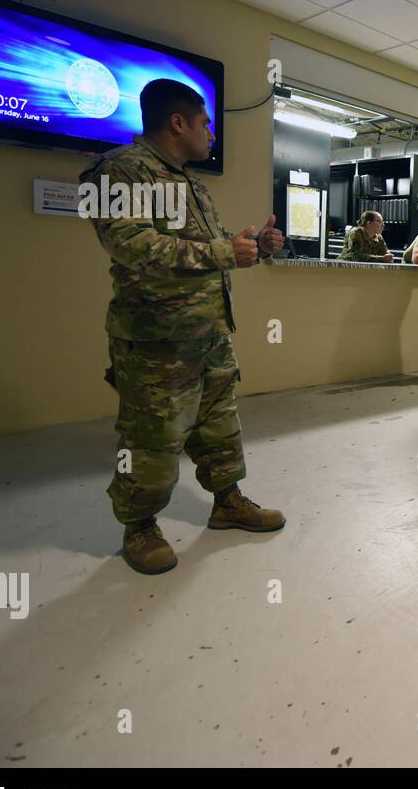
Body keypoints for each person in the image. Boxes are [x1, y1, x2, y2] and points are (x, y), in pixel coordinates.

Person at [81, 78, 286, 576]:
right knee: (151, 435)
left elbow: (204, 253)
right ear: (178, 123)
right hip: (156, 340)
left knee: (219, 426)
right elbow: (129, 244)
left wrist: (250, 246)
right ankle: (139, 525)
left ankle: (227, 502)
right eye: (205, 123)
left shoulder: (191, 182)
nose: (211, 133)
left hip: (208, 332)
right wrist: (221, 251)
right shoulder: (117, 173)